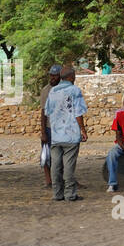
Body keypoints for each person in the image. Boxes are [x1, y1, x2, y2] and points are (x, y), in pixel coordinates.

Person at [44, 66, 88, 202]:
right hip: (71, 134)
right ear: (71, 77)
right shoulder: (75, 90)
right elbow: (78, 113)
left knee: (55, 165)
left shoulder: (52, 92)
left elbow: (47, 112)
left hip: (56, 135)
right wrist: (83, 130)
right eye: (74, 76)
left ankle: (57, 194)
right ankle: (70, 194)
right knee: (69, 165)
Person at [39, 64, 61, 189]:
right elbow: (43, 112)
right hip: (49, 127)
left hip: (61, 128)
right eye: (51, 75)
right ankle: (48, 180)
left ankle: (64, 178)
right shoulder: (46, 91)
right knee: (46, 155)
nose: (52, 78)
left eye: (55, 75)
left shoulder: (64, 90)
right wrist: (43, 132)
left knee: (62, 155)